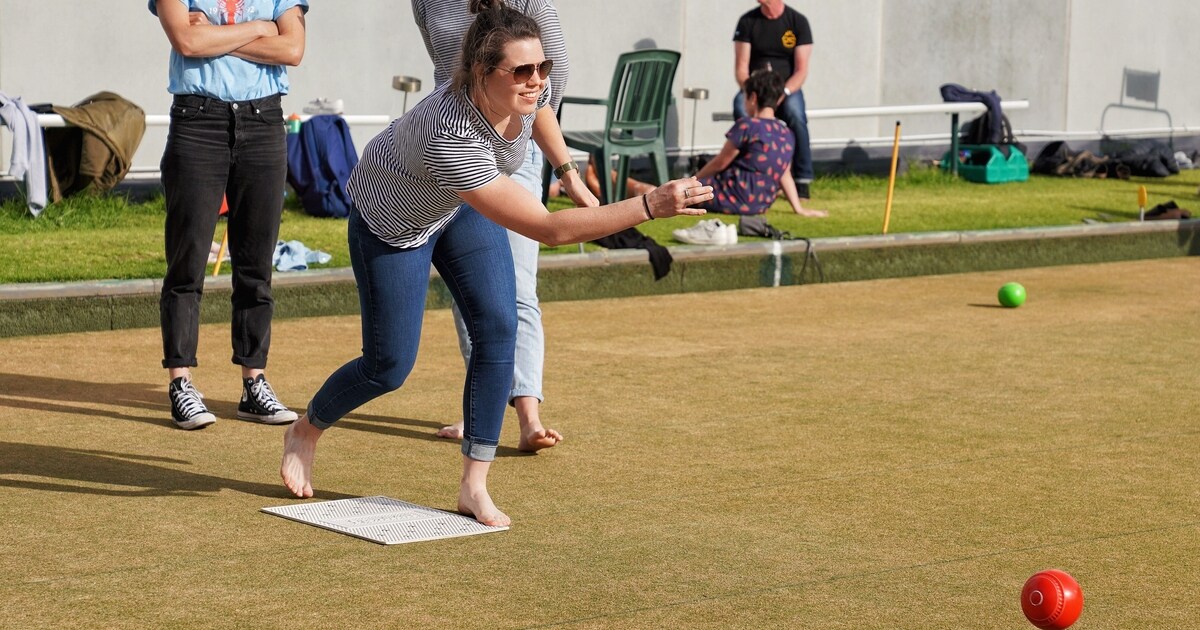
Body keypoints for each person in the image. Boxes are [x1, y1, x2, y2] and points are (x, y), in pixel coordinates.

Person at [279, 0, 712, 527]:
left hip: (458, 206)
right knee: (388, 367)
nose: (537, 81)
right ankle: (307, 428)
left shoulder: (526, 89)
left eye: (542, 67)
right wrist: (650, 205)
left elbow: (543, 109)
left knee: (499, 325)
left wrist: (568, 171)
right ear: (482, 74)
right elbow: (549, 231)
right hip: (393, 221)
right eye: (522, 71)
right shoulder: (449, 134)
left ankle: (473, 485)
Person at [412, 0, 598, 453]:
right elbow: (446, 69)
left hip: (514, 144)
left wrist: (566, 169)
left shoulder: (528, 3)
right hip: (455, 145)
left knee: (518, 286)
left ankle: (529, 418)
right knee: (469, 288)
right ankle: (486, 406)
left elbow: (549, 83)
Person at [151, 0, 307, 430]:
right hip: (197, 120)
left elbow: (292, 50)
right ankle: (181, 383)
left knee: (256, 263)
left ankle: (253, 382)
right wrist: (260, 31)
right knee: (187, 261)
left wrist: (215, 40)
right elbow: (185, 39)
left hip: (264, 121)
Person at [673, 69, 826, 246]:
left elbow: (720, 162)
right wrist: (798, 208)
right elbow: (785, 174)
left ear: (753, 98)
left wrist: (693, 180)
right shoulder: (787, 132)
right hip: (760, 205)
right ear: (777, 100)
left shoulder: (747, 125)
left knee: (671, 192)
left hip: (732, 196)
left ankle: (636, 188)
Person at [733, 0, 815, 200]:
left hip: (786, 89)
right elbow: (741, 69)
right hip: (757, 89)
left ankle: (803, 179)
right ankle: (746, 175)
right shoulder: (747, 21)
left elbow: (801, 71)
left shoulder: (798, 22)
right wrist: (753, 92)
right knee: (741, 109)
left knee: (796, 115)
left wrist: (783, 93)